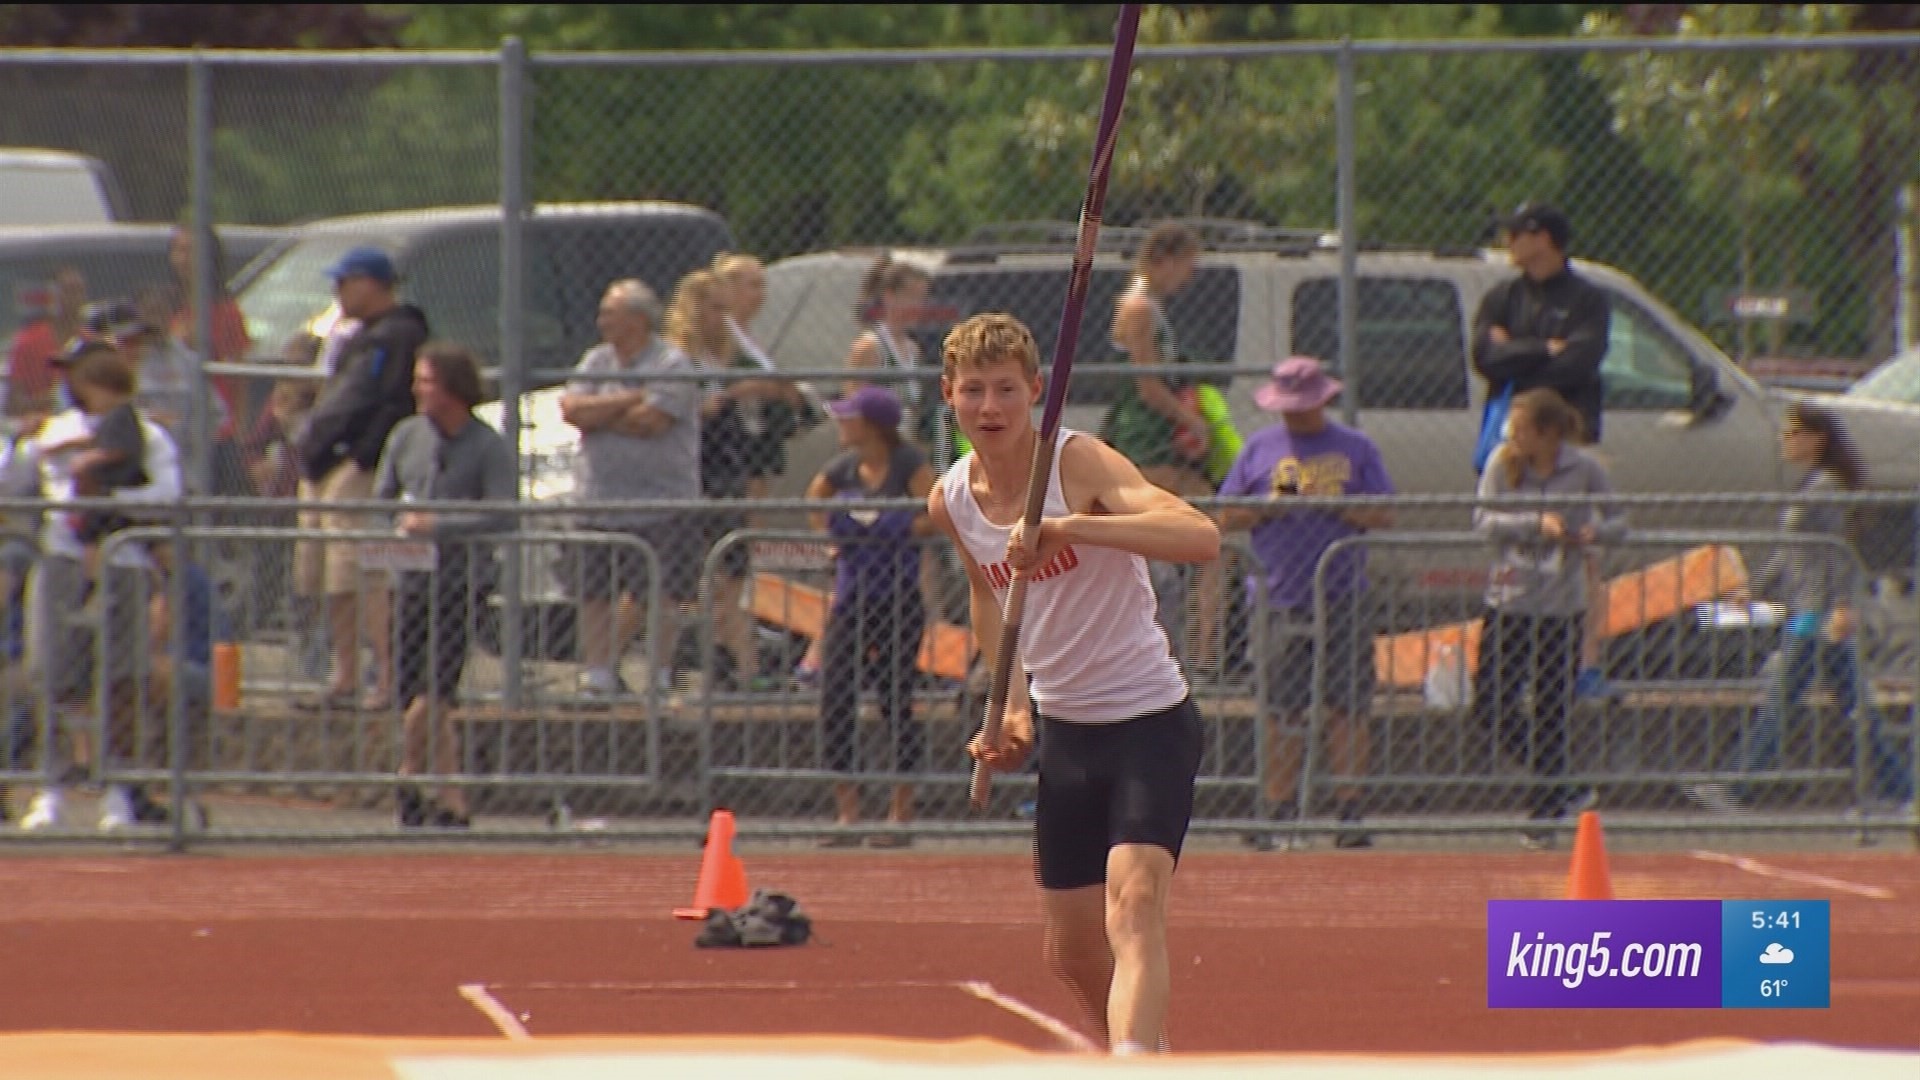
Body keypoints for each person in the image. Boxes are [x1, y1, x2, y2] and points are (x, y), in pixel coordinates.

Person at [928, 313, 1219, 1056]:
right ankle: (1149, 1049)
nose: (989, 408)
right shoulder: (952, 499)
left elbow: (1198, 536)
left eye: (1005, 390)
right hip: (1067, 734)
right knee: (1073, 950)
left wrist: (1072, 529)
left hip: (1148, 721)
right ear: (948, 396)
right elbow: (989, 600)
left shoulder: (1077, 464)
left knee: (1136, 901)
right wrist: (1014, 710)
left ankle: (1131, 1062)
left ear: (1035, 392)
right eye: (973, 391)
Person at [1686, 402, 1914, 815]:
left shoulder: (1826, 486)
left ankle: (1741, 786)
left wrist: (1843, 605)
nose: (1784, 441)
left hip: (1819, 613)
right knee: (1850, 706)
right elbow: (1789, 549)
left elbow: (1840, 552)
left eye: (1792, 433)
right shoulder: (1812, 484)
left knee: (1784, 700)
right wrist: (1752, 589)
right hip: (1807, 608)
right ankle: (1901, 790)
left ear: (1816, 438)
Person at [1215, 357, 1394, 851]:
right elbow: (1225, 515)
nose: (1293, 416)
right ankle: (1276, 809)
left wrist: (1335, 501)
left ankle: (1350, 810)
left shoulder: (1356, 449)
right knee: (1280, 708)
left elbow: (1385, 514)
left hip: (1343, 595)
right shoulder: (1258, 448)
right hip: (1278, 597)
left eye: (1303, 406)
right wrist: (1269, 505)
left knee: (1348, 704)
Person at [1472, 387, 1625, 850]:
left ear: (1550, 433)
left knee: (1552, 708)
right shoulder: (1502, 464)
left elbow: (1620, 521)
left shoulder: (1584, 469)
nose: (1514, 438)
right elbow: (1483, 521)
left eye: (1523, 430)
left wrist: (1592, 532)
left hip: (1561, 605)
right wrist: (1534, 524)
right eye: (1511, 430)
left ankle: (1544, 810)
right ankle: (1564, 783)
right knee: (1491, 704)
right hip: (1510, 600)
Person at [372, 343, 517, 828]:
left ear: (452, 389)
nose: (416, 389)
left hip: (461, 583)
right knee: (421, 693)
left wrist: (441, 523)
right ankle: (450, 797)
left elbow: (502, 513)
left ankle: (408, 773)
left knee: (436, 688)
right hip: (410, 581)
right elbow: (381, 500)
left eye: (426, 381)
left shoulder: (487, 445)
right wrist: (395, 526)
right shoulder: (405, 435)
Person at [294, 246, 430, 713]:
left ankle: (386, 676)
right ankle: (345, 672)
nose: (337, 292)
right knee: (326, 574)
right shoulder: (357, 335)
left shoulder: (400, 333)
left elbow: (392, 404)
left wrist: (359, 457)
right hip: (324, 463)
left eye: (344, 282)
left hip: (357, 466)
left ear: (372, 283)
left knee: (362, 569)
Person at [806, 385, 936, 846]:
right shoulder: (843, 468)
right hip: (851, 599)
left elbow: (938, 513)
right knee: (835, 696)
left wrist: (894, 524)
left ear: (874, 425)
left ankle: (900, 816)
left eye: (850, 418)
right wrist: (836, 535)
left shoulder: (907, 464)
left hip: (897, 598)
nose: (841, 425)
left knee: (895, 698)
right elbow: (814, 504)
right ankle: (848, 815)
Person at [559, 279, 702, 701]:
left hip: (661, 500)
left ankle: (657, 674)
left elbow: (652, 423)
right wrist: (629, 398)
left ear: (638, 320)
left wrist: (599, 414)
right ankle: (600, 675)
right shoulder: (596, 360)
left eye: (610, 313)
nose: (601, 320)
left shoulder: (671, 363)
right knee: (595, 591)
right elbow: (571, 410)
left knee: (661, 592)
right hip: (597, 498)